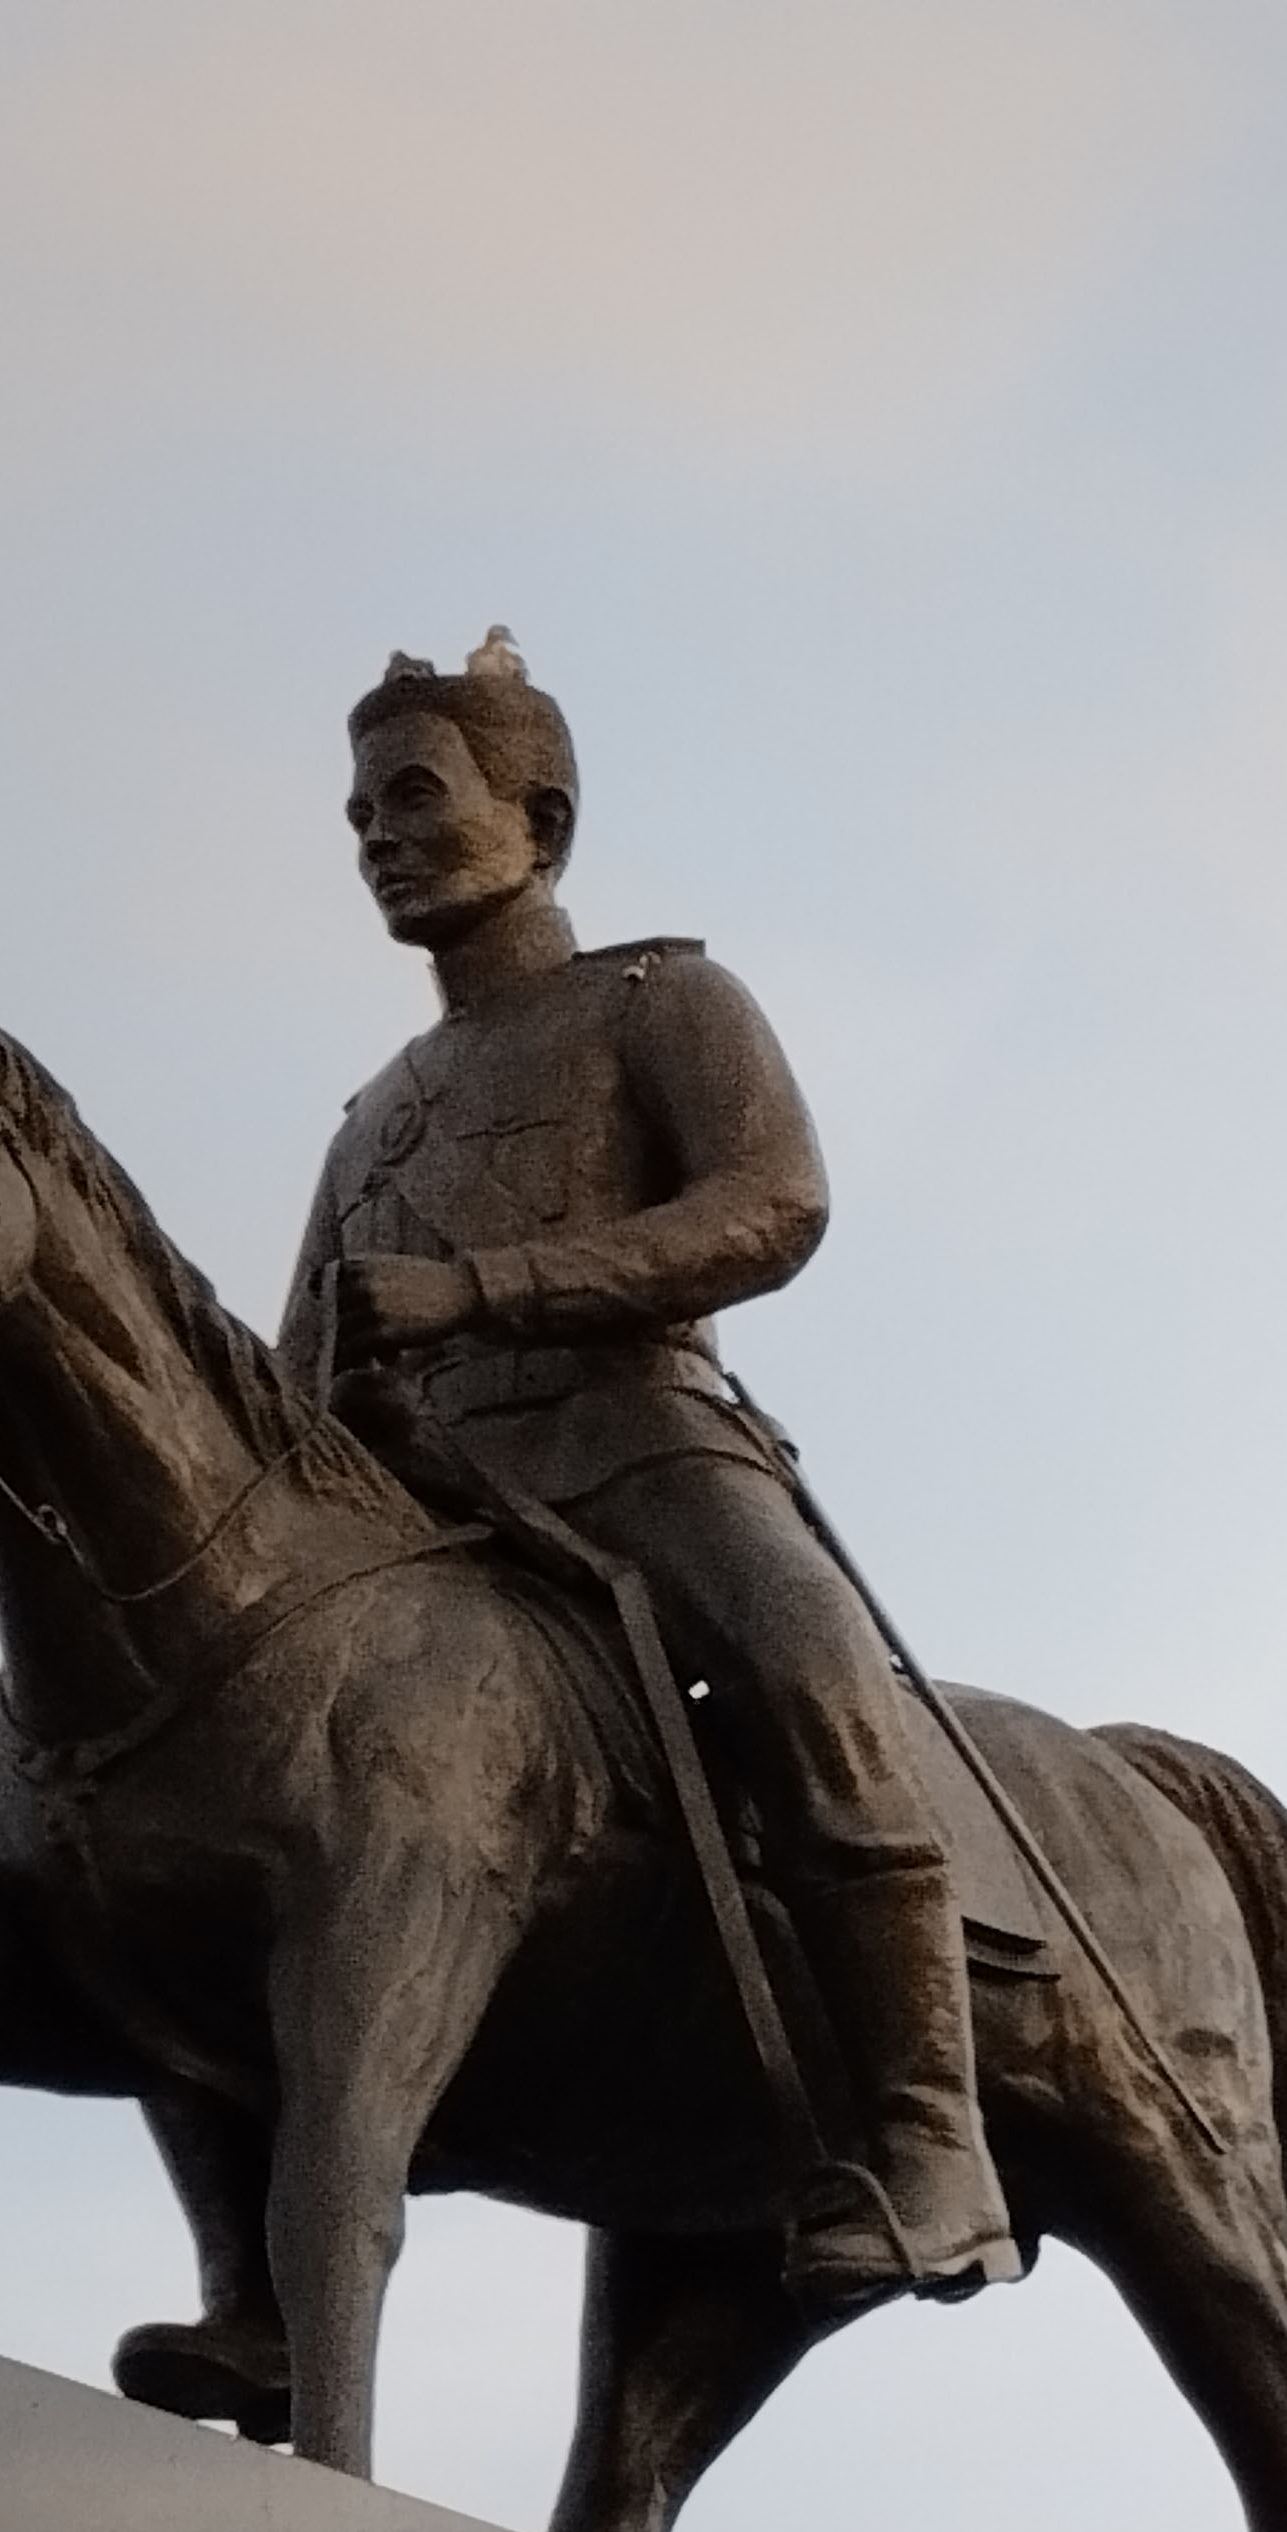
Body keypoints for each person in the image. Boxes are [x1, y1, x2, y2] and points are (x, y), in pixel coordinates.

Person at [280, 630, 1018, 2305]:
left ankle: (931, 2137)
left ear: (537, 817)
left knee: (809, 1669)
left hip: (642, 1447)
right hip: (433, 1519)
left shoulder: (662, 1001)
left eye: (413, 796)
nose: (377, 836)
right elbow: (292, 1373)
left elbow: (773, 1205)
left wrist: (481, 1292)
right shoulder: (370, 1116)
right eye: (356, 814)